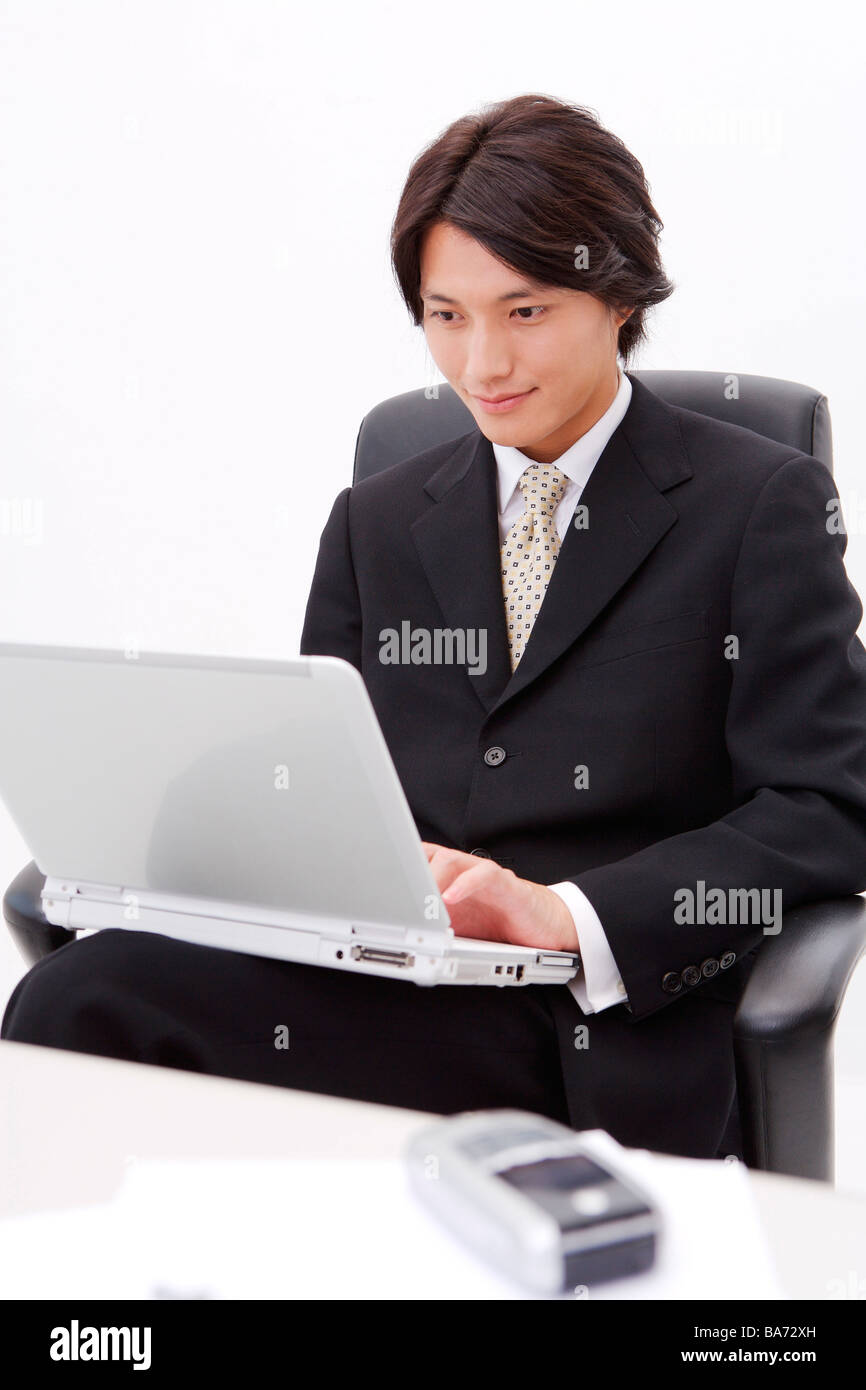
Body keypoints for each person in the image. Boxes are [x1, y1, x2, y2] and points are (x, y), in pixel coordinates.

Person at [5, 94, 866, 1161]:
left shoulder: (755, 502)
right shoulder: (377, 519)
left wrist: (569, 914)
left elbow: (826, 808)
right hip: (387, 982)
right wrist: (170, 826)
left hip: (582, 1024)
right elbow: (323, 772)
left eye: (524, 311)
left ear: (617, 294)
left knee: (93, 1007)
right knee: (76, 995)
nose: (480, 368)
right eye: (444, 315)